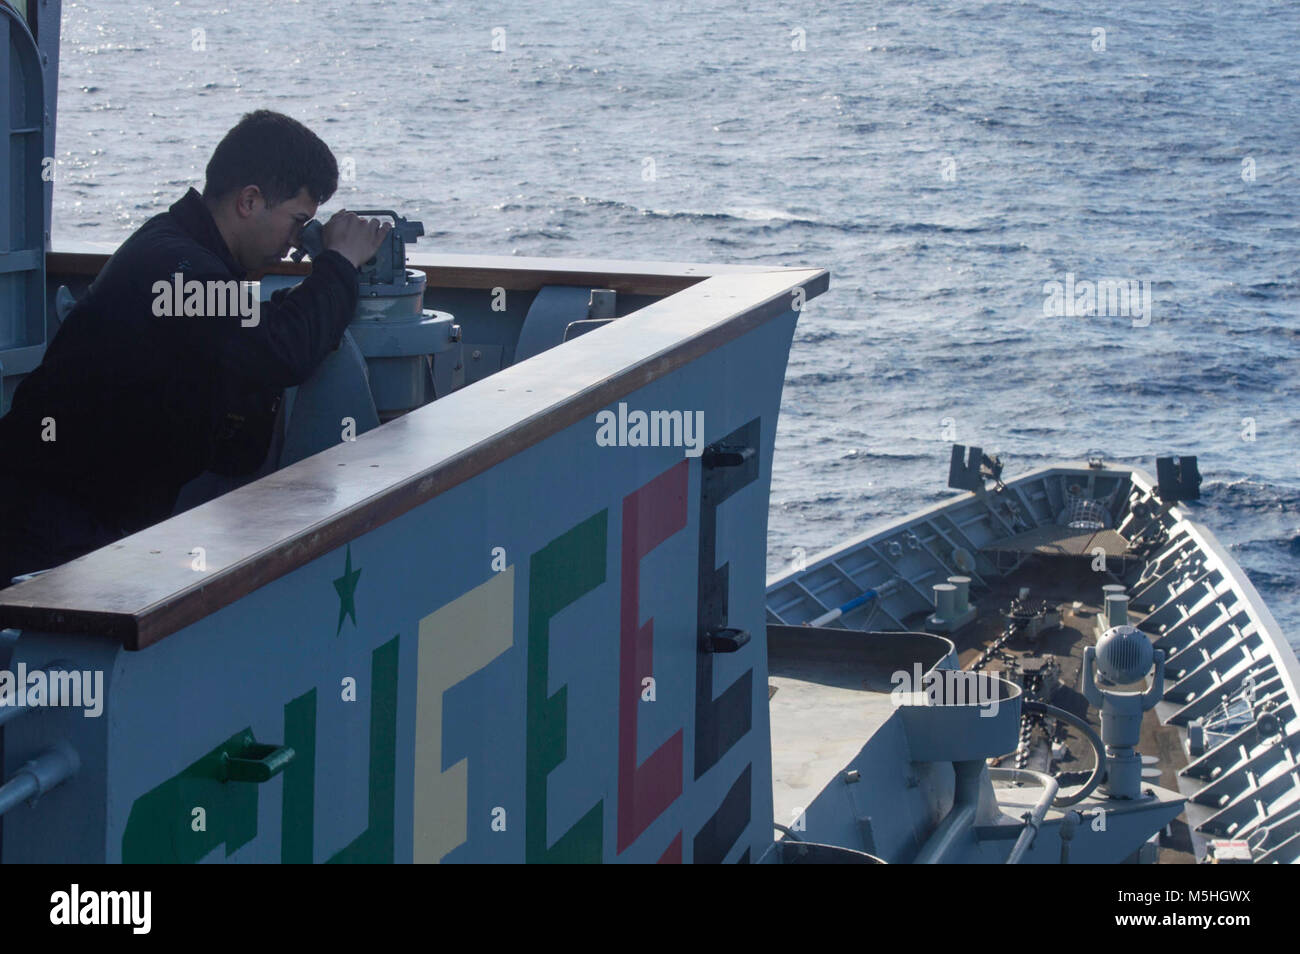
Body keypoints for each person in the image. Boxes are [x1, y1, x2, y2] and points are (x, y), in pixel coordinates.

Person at [0, 109, 391, 587]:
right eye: (297, 222)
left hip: (78, 511)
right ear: (250, 200)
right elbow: (279, 352)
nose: (294, 245)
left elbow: (250, 332)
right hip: (45, 526)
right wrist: (339, 263)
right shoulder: (179, 268)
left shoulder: (177, 248)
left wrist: (317, 290)